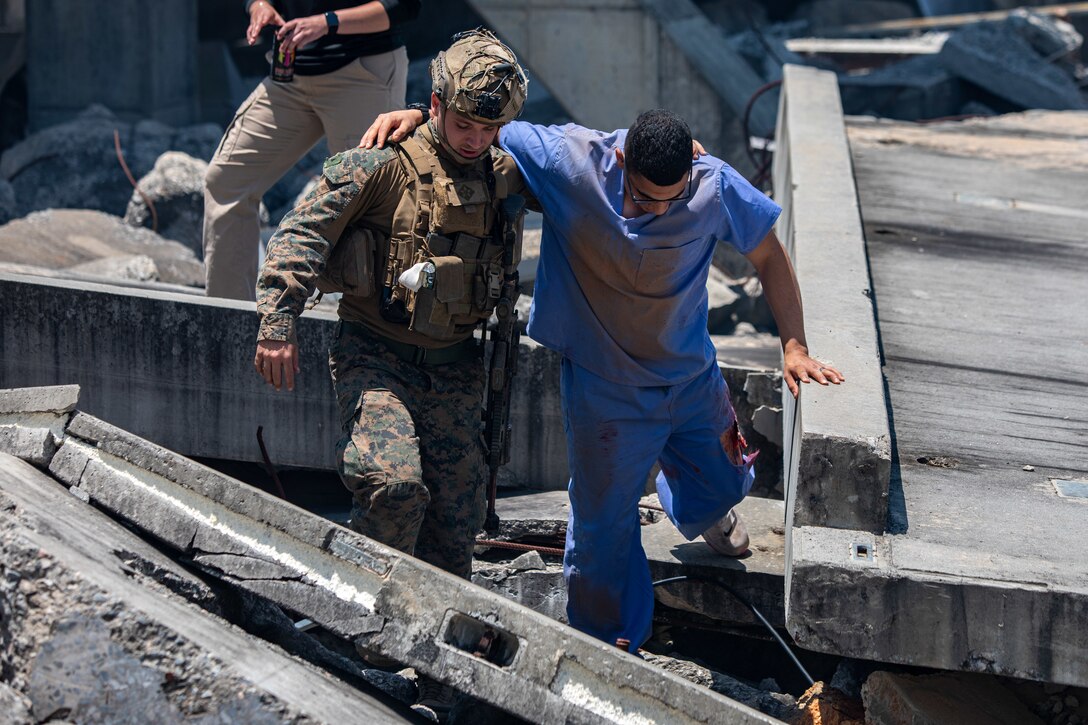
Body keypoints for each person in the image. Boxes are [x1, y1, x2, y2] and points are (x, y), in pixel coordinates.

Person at [361, 106, 845, 653]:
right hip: (605, 391)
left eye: (671, 199)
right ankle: (607, 638)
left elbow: (769, 256)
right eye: (642, 198)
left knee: (726, 478)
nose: (655, 211)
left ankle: (696, 498)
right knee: (601, 528)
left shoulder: (714, 185)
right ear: (620, 160)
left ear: (690, 165)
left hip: (690, 378)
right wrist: (423, 113)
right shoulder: (571, 161)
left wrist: (795, 347)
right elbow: (483, 123)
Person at [253, 29, 531, 717]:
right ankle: (362, 643)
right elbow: (301, 232)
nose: (474, 138)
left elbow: (591, 162)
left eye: (489, 126)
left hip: (458, 367)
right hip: (375, 351)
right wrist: (277, 320)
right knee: (393, 483)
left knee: (457, 521)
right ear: (434, 104)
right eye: (463, 123)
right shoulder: (379, 165)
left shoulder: (505, 173)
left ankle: (437, 662)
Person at [203, 0, 420, 301]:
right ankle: (228, 319)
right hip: (290, 74)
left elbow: (401, 7)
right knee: (227, 182)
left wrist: (327, 22)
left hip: (361, 72)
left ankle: (370, 333)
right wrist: (259, 6)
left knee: (372, 206)